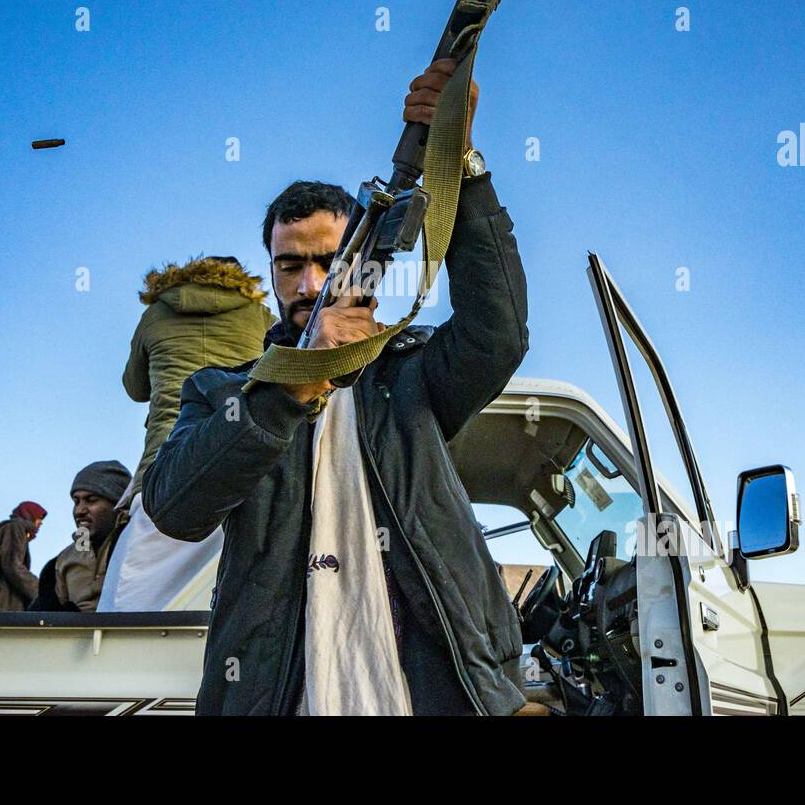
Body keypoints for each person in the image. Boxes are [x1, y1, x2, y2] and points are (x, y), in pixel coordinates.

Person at [143, 59, 530, 715]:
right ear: (271, 273)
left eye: (328, 260)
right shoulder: (222, 390)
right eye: (290, 264)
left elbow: (500, 336)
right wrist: (294, 386)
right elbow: (176, 506)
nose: (309, 284)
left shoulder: (412, 375)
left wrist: (459, 160)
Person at [100, 256, 274, 612]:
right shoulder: (260, 314)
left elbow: (135, 388)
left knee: (133, 600)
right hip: (241, 457)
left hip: (168, 460)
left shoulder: (155, 314)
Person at [31, 462, 129, 611]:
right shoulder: (59, 564)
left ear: (118, 504)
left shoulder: (138, 543)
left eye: (91, 500)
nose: (79, 511)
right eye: (76, 502)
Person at [0, 501, 47, 610]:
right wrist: (42, 592)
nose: (41, 522)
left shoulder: (14, 528)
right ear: (29, 514)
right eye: (39, 517)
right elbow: (13, 566)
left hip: (2, 599)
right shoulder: (15, 528)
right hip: (1, 600)